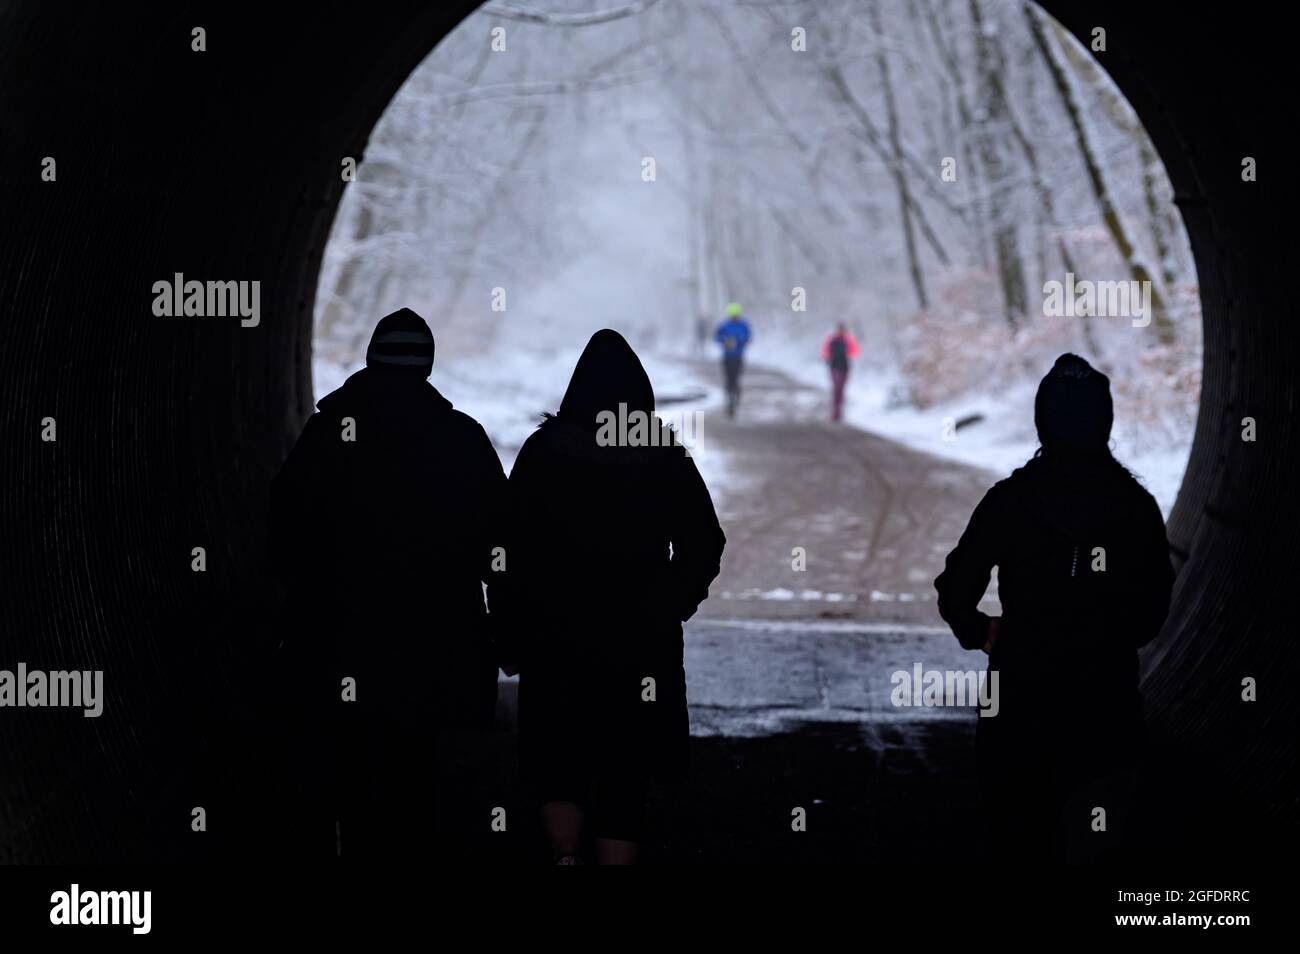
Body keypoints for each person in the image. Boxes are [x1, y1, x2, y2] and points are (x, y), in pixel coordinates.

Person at [269, 307, 507, 859]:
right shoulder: (461, 438)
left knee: (349, 774)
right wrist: (501, 632)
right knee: (414, 777)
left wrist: (300, 602)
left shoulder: (329, 432)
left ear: (371, 359)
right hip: (433, 649)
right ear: (427, 365)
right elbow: (499, 545)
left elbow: (283, 527)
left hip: (335, 642)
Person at [934, 354, 1173, 862]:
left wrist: (982, 632)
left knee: (1021, 846)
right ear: (1103, 422)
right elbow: (1152, 611)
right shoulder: (1136, 508)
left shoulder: (1010, 501)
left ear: (1043, 420)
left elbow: (956, 589)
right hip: (1106, 715)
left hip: (1018, 715)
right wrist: (1104, 636)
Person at [498, 329, 725, 864]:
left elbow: (504, 548)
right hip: (639, 647)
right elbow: (703, 542)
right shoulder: (663, 456)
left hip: (555, 641)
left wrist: (510, 627)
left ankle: (565, 857)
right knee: (626, 774)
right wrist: (668, 604)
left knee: (559, 767)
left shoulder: (543, 453)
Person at [714, 302, 751, 419]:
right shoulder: (724, 326)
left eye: (736, 315)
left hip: (738, 357)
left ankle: (736, 395)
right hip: (727, 357)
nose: (734, 317)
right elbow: (716, 337)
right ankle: (729, 399)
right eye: (732, 315)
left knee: (736, 377)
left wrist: (740, 341)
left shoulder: (744, 325)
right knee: (728, 378)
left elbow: (748, 337)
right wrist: (725, 341)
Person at [820, 322, 860, 422]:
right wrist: (827, 357)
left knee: (841, 389)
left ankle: (839, 410)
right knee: (836, 387)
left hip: (844, 367)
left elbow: (855, 352)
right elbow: (825, 351)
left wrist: (847, 353)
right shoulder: (832, 340)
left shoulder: (848, 341)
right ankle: (835, 410)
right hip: (834, 366)